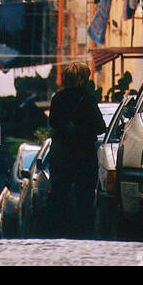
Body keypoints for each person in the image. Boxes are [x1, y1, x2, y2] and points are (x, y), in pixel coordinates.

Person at [47, 62, 106, 239]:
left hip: (61, 154)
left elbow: (53, 124)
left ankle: (57, 231)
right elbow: (100, 127)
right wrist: (81, 130)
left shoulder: (57, 99)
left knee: (59, 195)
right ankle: (84, 232)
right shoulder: (87, 100)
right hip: (83, 155)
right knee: (85, 196)